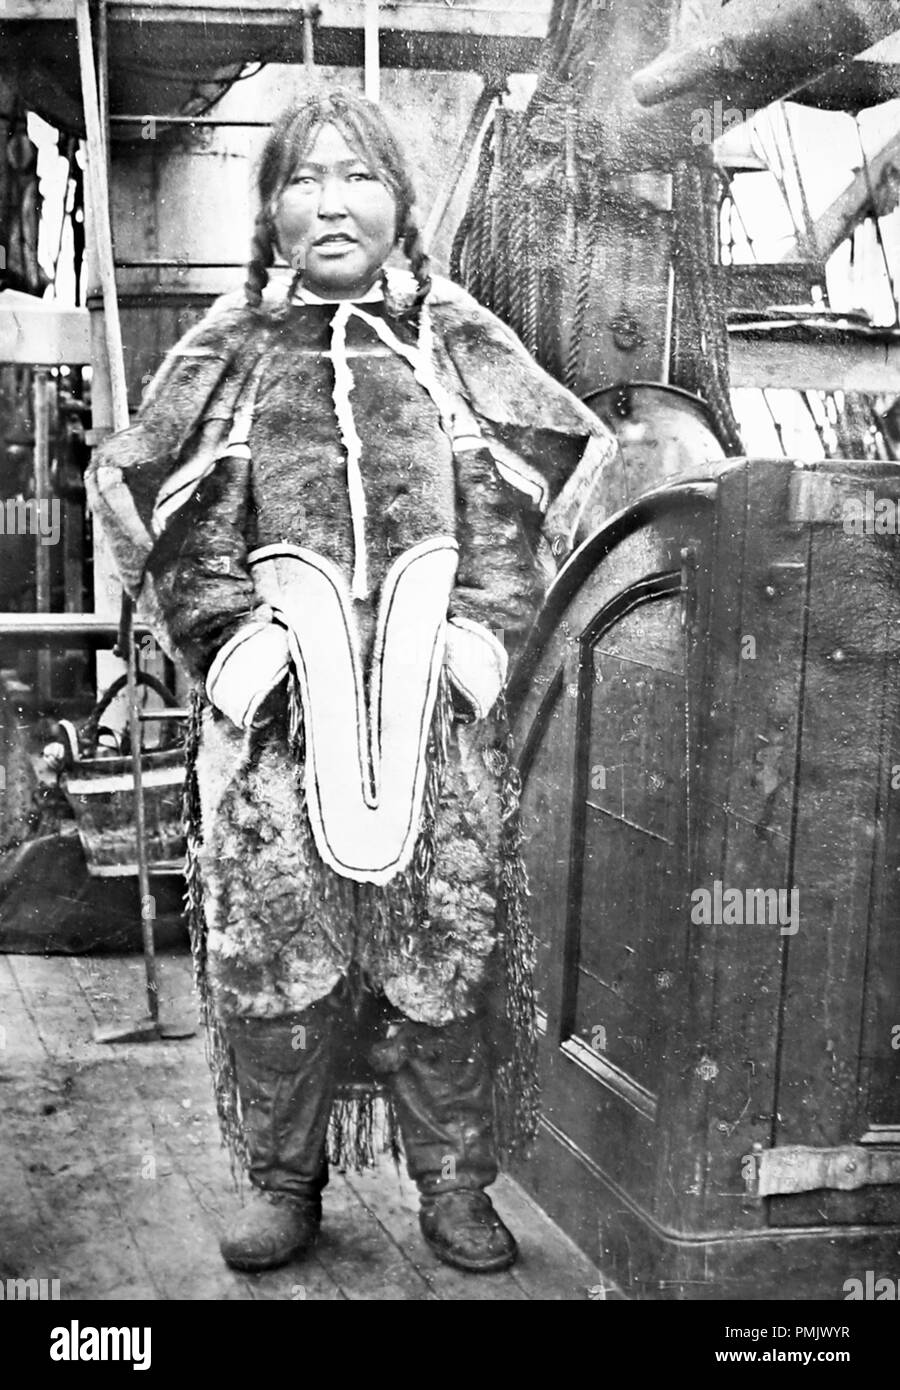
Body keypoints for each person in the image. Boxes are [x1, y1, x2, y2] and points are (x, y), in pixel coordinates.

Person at [87, 90, 618, 1277]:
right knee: (277, 947)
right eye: (305, 179)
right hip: (276, 726)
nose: (332, 203)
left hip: (438, 714)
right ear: (272, 208)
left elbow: (528, 494)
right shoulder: (232, 346)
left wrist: (479, 644)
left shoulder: (453, 336)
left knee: (446, 947)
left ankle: (454, 1186)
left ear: (398, 203)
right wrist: (237, 649)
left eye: (358, 177)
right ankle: (285, 1183)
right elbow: (156, 501)